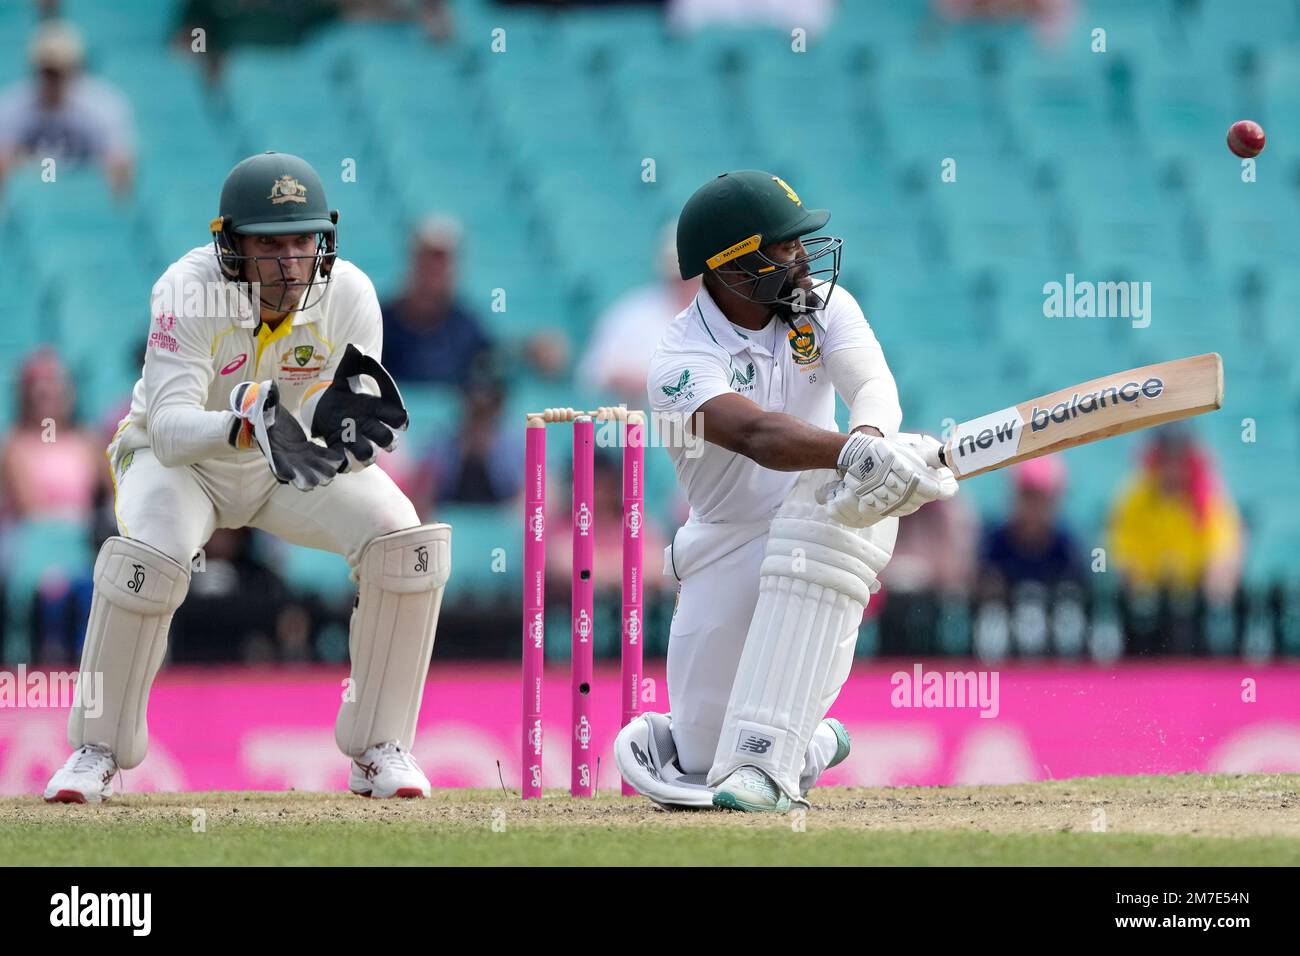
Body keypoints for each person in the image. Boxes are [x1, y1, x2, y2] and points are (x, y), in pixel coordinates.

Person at [42, 151, 452, 803]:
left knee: (405, 541)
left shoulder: (350, 293)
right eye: (271, 245)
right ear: (231, 246)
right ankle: (97, 750)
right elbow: (172, 429)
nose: (291, 263)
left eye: (302, 241)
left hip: (284, 466)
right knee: (153, 552)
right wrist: (245, 424)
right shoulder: (187, 288)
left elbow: (353, 428)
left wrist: (341, 430)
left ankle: (379, 747)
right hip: (181, 465)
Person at [614, 170, 957, 812]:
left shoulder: (825, 307)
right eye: (785, 246)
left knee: (816, 516)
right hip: (725, 541)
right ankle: (811, 746)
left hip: (825, 518)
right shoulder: (678, 361)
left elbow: (872, 384)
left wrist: (871, 440)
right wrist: (857, 452)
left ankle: (776, 757)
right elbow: (758, 436)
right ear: (732, 266)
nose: (803, 257)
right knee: (701, 764)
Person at [1107, 425, 1242, 602]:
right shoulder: (1134, 497)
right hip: (1147, 598)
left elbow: (1224, 551)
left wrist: (1214, 583)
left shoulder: (1207, 495)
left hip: (1197, 595)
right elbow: (1122, 555)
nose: (1173, 469)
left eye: (1180, 461)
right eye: (1166, 460)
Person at [0, 21, 136, 195]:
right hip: (31, 197)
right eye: (47, 71)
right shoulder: (13, 104)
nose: (53, 80)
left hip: (83, 198)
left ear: (76, 68)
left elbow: (121, 165)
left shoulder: (103, 105)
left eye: (61, 70)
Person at [578, 222, 699, 407]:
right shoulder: (633, 312)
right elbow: (593, 374)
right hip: (641, 423)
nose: (686, 283)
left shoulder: (728, 315)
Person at [378, 215, 497, 388]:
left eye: (442, 260)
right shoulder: (379, 323)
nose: (435, 269)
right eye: (428, 258)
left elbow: (492, 370)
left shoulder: (468, 329)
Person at [0, 348, 104, 524]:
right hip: (37, 543)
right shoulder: (14, 446)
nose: (45, 389)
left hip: (86, 540)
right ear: (26, 396)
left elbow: (117, 496)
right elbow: (32, 512)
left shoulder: (87, 441)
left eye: (52, 382)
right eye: (37, 384)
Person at [979, 456, 1080, 596]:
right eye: (1027, 497)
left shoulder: (1066, 548)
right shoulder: (994, 544)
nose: (1034, 507)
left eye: (1041, 499)